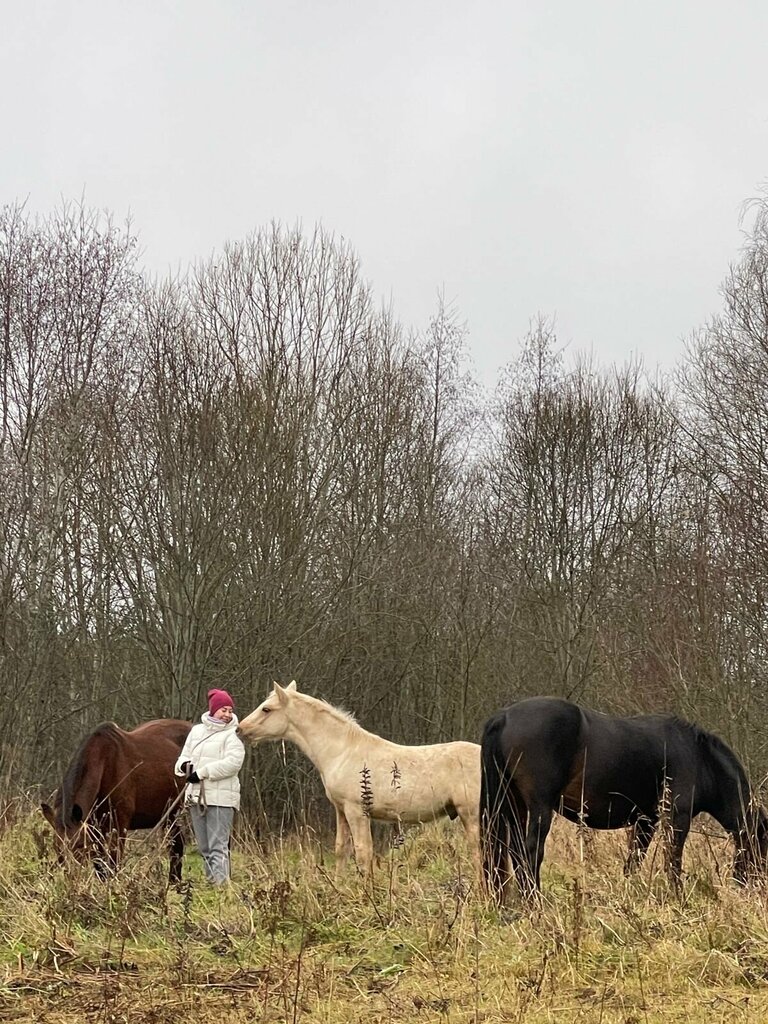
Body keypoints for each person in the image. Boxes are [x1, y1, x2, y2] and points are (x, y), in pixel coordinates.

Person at [175, 688, 245, 885]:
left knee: (218, 846)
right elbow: (184, 755)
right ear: (213, 709)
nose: (227, 715)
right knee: (204, 847)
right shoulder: (197, 731)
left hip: (221, 799)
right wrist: (184, 767)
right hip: (196, 797)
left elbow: (233, 764)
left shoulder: (234, 734)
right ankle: (210, 884)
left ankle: (222, 888)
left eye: (230, 711)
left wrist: (202, 772)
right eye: (223, 710)